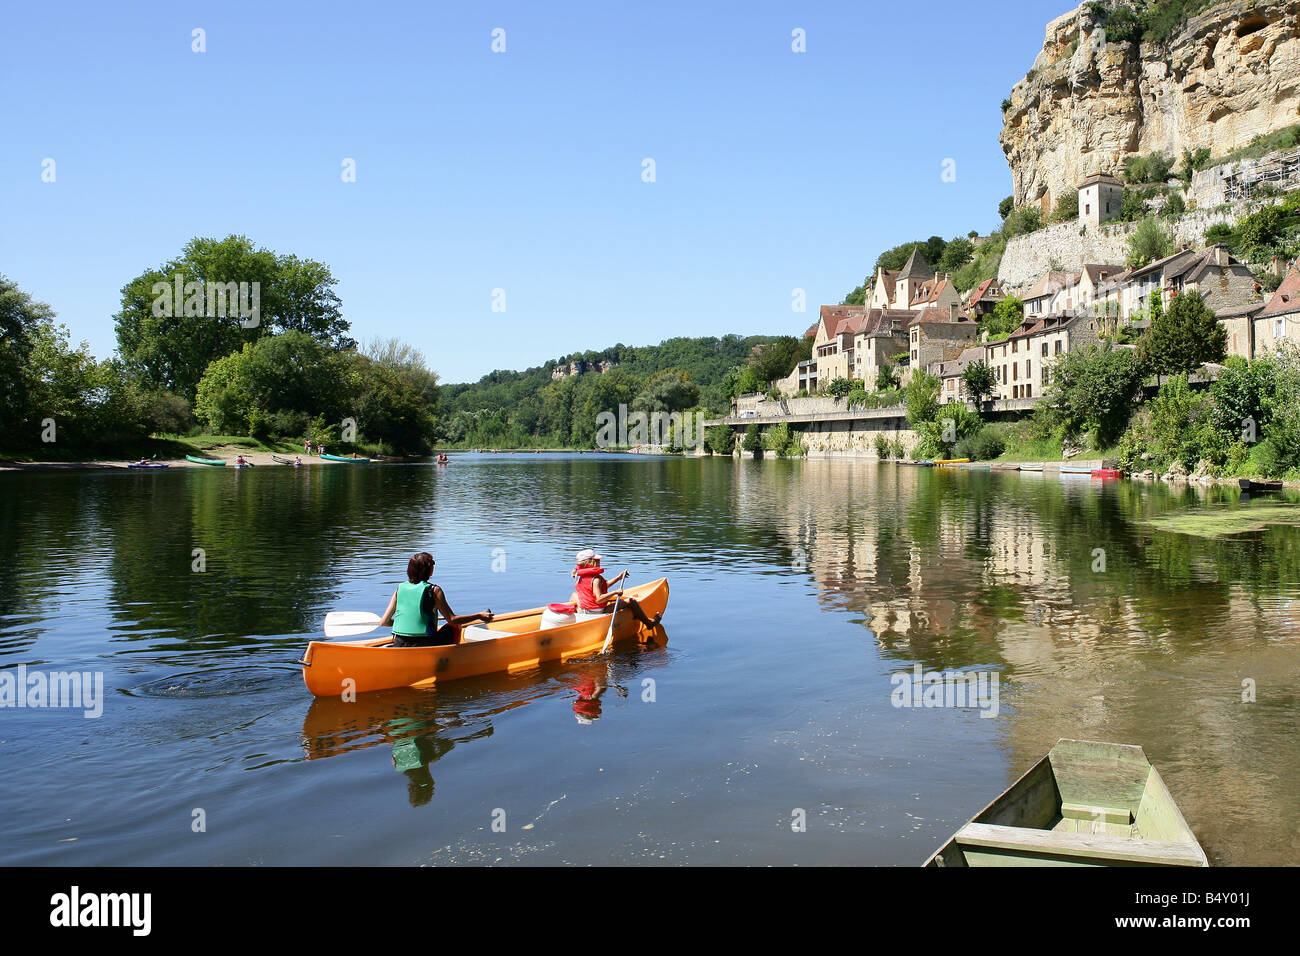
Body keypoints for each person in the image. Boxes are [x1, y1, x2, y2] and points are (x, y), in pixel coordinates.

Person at [379, 551, 493, 647]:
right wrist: (479, 616)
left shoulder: (400, 589)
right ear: (428, 569)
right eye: (432, 563)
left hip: (399, 644)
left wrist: (403, 623)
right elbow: (452, 619)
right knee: (455, 626)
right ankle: (448, 659)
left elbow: (384, 622)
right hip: (424, 644)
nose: (433, 566)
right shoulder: (434, 590)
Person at [569, 548, 661, 629]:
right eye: (596, 560)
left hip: (583, 610)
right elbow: (599, 599)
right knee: (631, 601)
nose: (599, 562)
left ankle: (573, 616)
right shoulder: (596, 579)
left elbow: (603, 587)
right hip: (596, 612)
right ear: (589, 563)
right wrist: (615, 593)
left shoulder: (579, 576)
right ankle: (649, 623)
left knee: (574, 595)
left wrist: (618, 578)